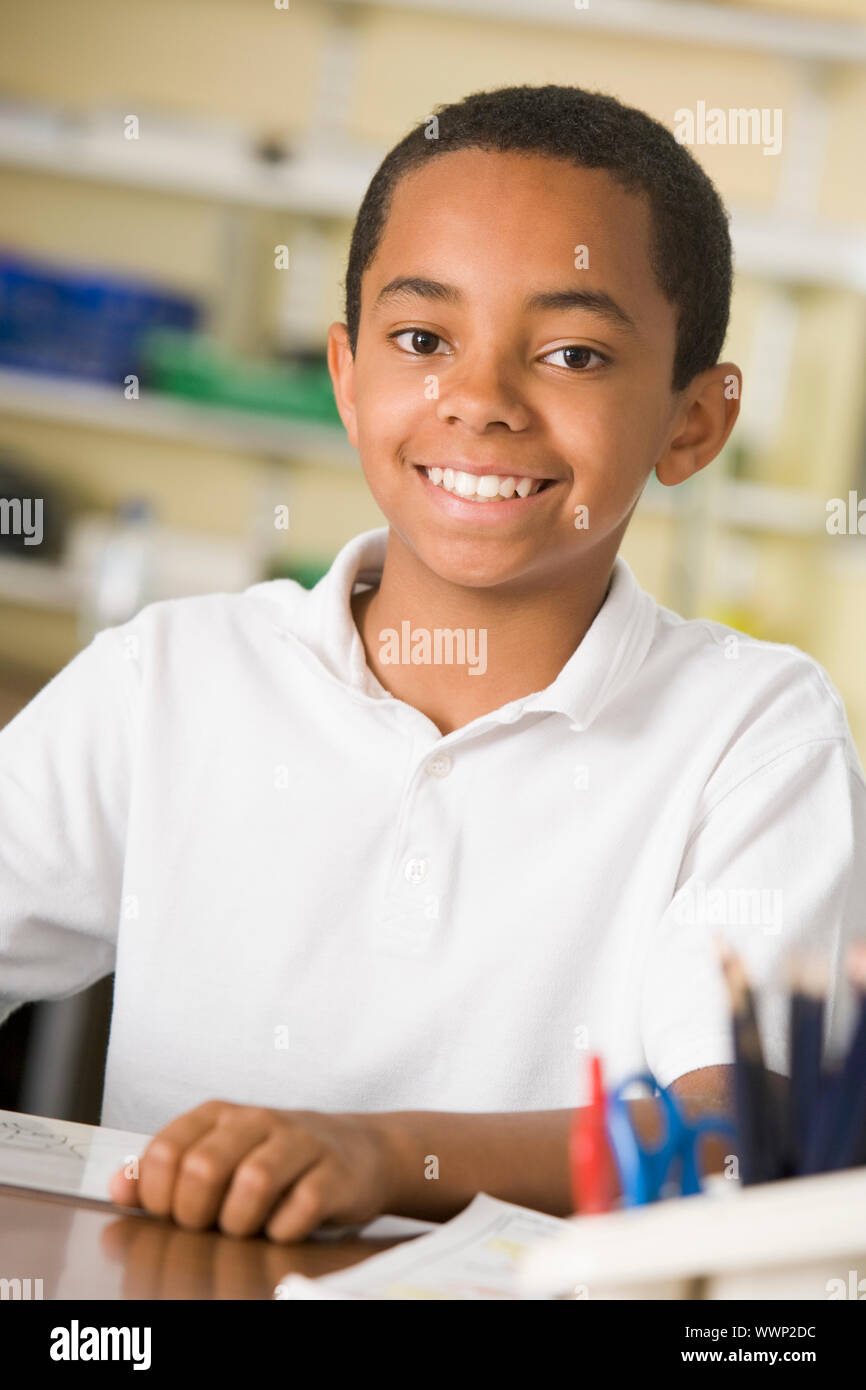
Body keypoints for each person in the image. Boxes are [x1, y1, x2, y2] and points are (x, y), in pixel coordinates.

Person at [2, 85, 863, 1242]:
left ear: (690, 424)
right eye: (421, 340)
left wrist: (384, 1154)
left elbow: (736, 1128)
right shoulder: (170, 678)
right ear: (348, 378)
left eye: (570, 352)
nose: (480, 402)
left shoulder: (753, 734)